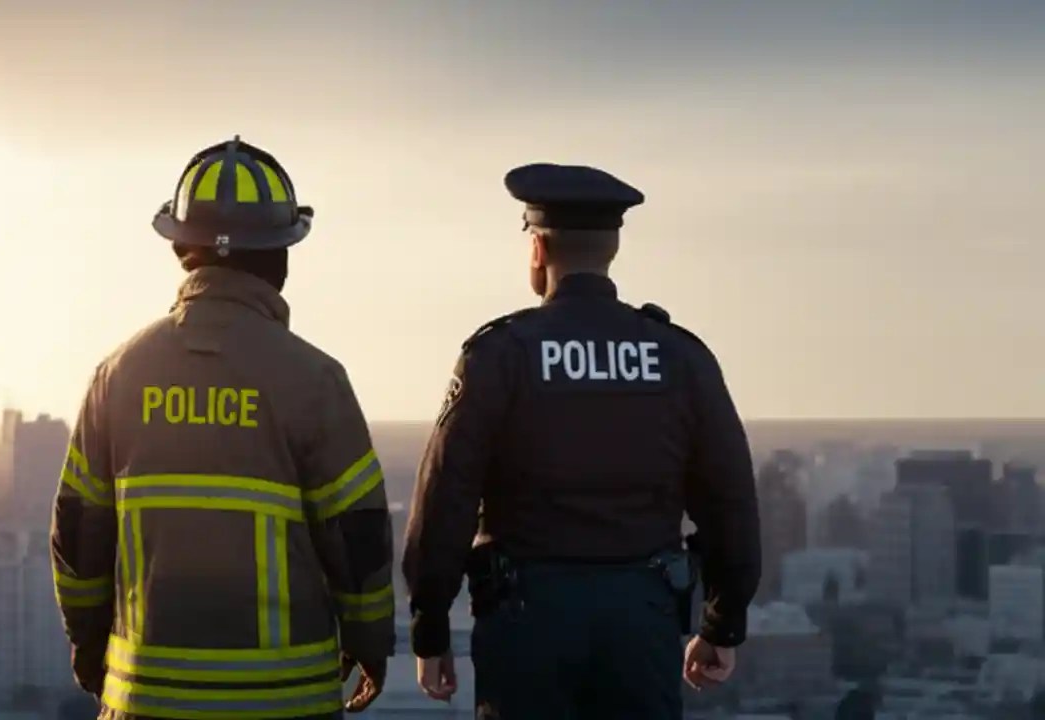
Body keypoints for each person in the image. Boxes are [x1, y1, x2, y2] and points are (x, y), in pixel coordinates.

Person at [50, 136, 396, 720]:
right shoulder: (315, 380)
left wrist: (87, 643)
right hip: (287, 703)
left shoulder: (119, 374)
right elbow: (358, 535)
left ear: (180, 249)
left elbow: (78, 532)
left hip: (145, 699)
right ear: (282, 257)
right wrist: (369, 641)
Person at [401, 162, 762, 719]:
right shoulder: (679, 356)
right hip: (641, 621)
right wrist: (722, 622)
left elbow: (448, 494)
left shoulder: (501, 354)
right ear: (612, 249)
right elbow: (729, 498)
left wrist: (429, 627)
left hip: (527, 622)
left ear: (538, 249)